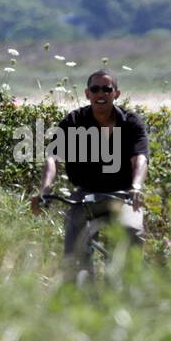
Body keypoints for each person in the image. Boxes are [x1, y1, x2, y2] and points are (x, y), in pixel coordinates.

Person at [32, 70, 149, 271]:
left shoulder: (130, 123)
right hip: (85, 195)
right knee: (74, 245)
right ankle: (82, 292)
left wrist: (136, 186)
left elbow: (140, 157)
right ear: (87, 94)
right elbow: (53, 158)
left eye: (107, 89)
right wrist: (45, 189)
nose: (100, 94)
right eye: (95, 89)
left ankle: (131, 286)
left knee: (132, 230)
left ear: (116, 94)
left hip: (123, 196)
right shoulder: (74, 121)